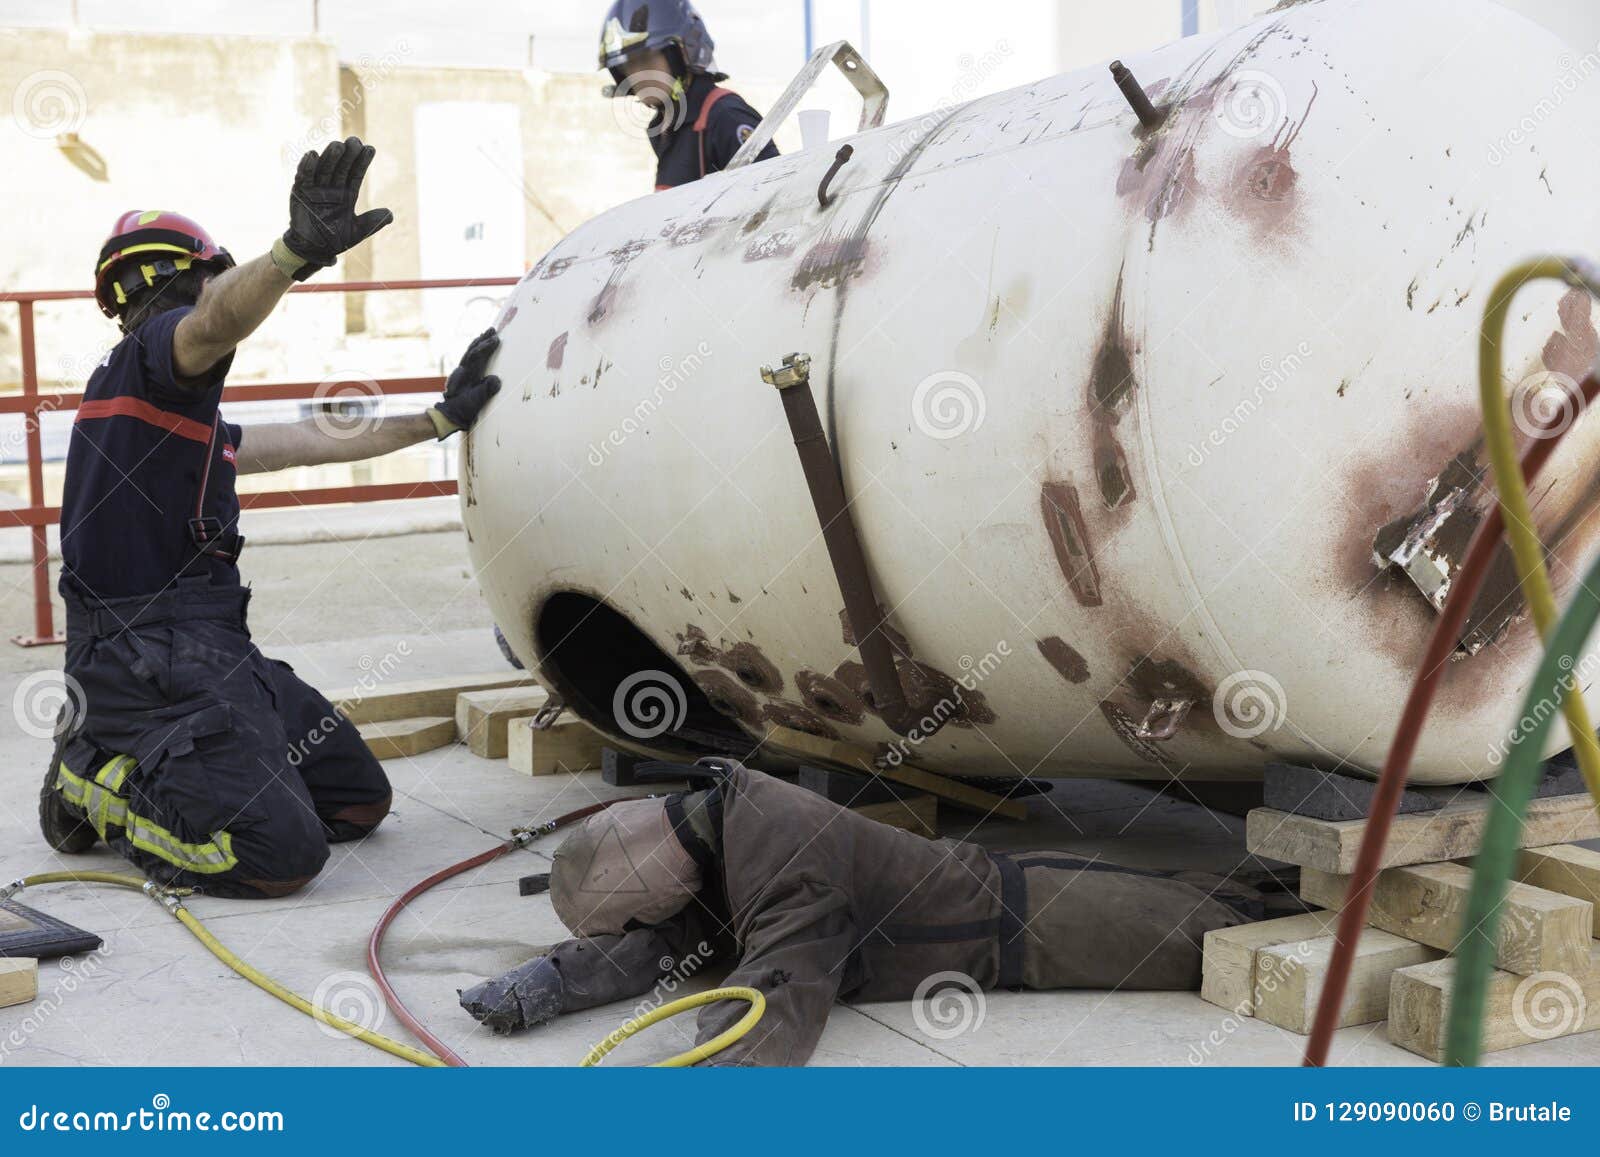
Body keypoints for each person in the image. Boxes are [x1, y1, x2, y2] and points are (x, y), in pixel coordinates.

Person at [37, 137, 503, 900]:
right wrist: (293, 253)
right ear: (194, 278)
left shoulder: (165, 421)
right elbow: (211, 325)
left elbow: (311, 441)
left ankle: (149, 759)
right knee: (276, 854)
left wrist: (435, 420)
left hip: (207, 650)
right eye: (218, 279)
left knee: (356, 799)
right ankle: (96, 779)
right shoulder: (156, 356)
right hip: (145, 664)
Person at [459, 763, 1269, 1065]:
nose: (646, 930)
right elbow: (671, 939)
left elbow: (777, 996)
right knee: (1208, 903)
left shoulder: (785, 860)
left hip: (1032, 927)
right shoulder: (715, 826)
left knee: (1222, 933)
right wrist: (547, 984)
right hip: (1010, 903)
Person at [599, 0, 779, 190]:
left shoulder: (725, 116)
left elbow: (776, 196)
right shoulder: (664, 128)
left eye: (646, 59)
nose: (637, 75)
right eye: (628, 66)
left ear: (681, 54)